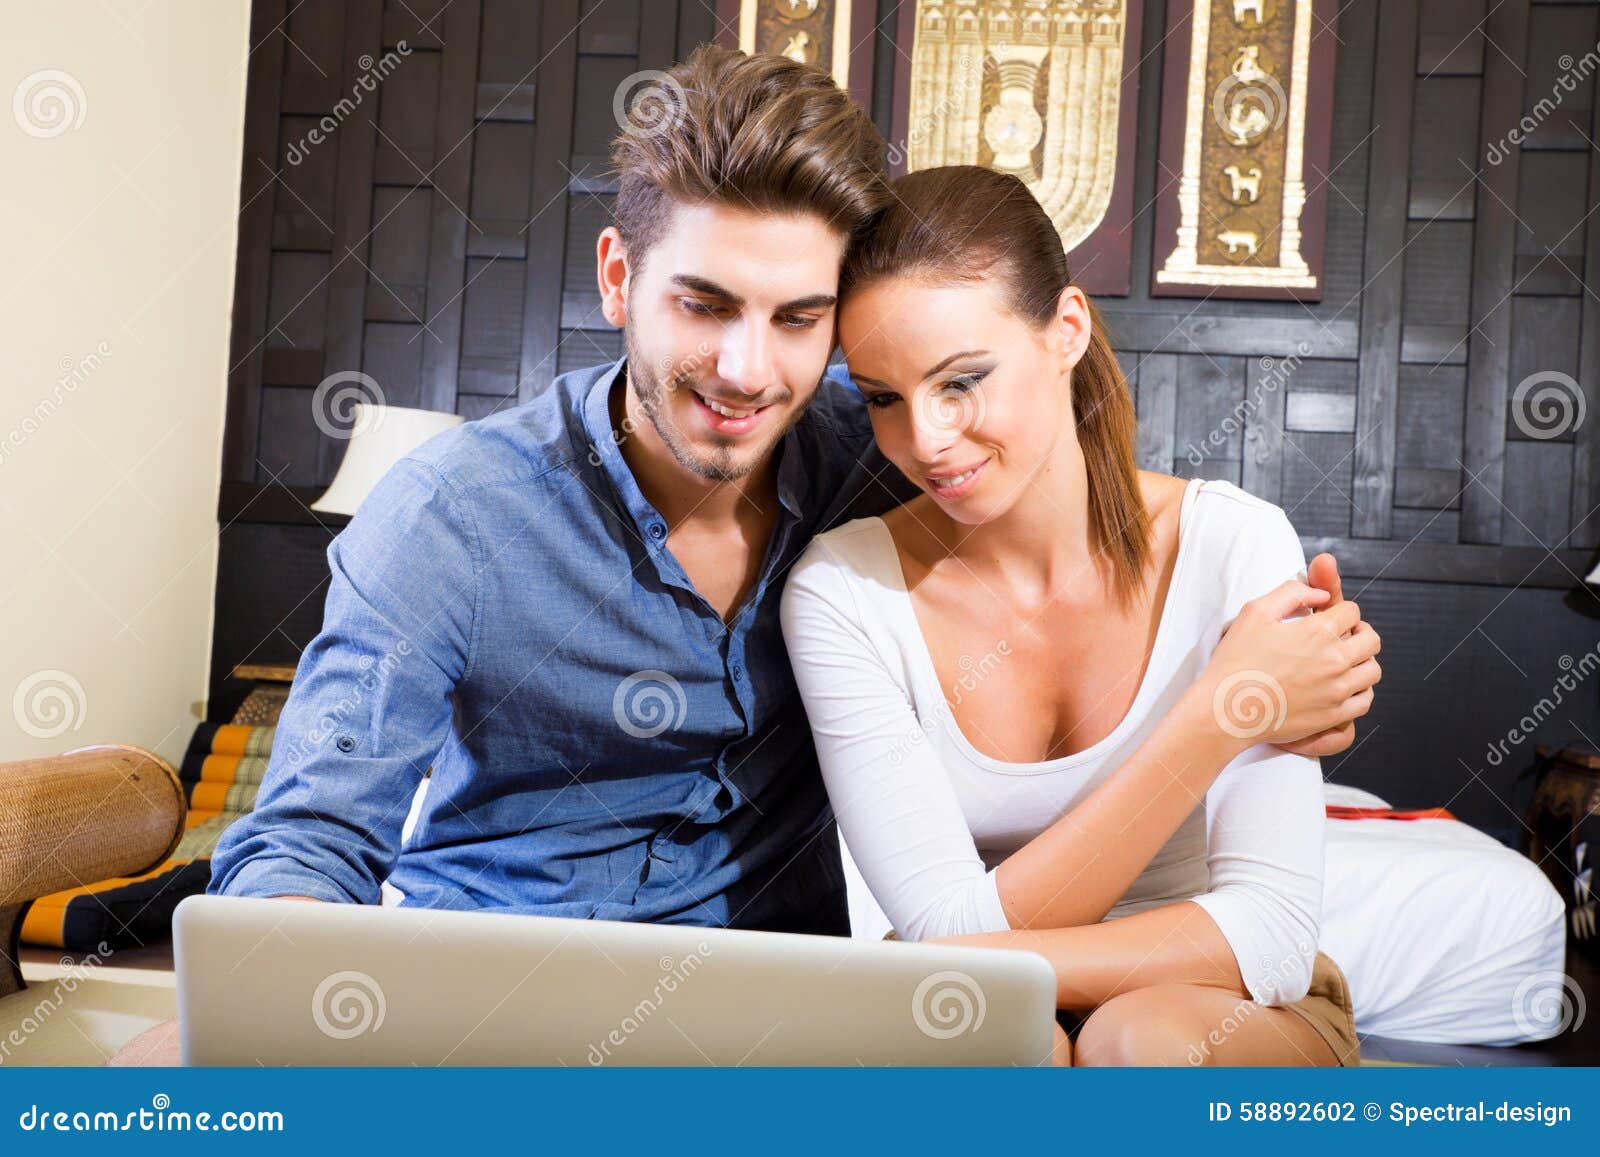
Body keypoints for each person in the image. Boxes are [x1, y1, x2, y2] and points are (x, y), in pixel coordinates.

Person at [110, 52, 1366, 1066]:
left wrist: (1283, 655)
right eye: (703, 304)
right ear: (619, 278)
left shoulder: (873, 442)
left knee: (1016, 1055)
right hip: (495, 1003)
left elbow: (1037, 439)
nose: (746, 370)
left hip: (777, 1015)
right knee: (158, 1066)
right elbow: (313, 834)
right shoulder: (452, 512)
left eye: (799, 320)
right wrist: (255, 1001)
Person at [779, 166, 1383, 1067]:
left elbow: (1270, 936)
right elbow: (941, 922)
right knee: (1002, 1050)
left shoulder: (1233, 546)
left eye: (962, 380)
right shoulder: (842, 596)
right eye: (883, 398)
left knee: (1134, 1043)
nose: (926, 441)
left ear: (1066, 329)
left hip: (1221, 1005)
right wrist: (1220, 713)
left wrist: (963, 960)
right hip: (970, 1007)